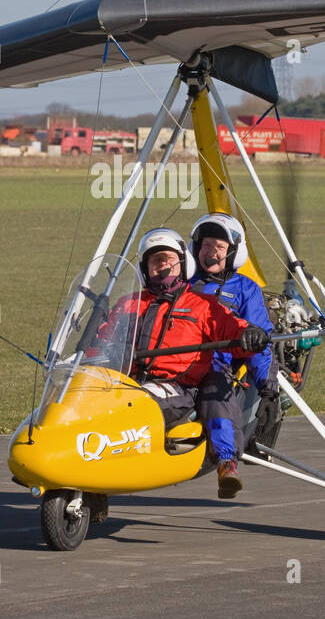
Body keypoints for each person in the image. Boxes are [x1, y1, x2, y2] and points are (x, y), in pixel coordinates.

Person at [97, 228, 270, 497]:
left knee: (134, 411)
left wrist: (248, 333)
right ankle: (89, 485)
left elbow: (229, 325)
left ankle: (226, 461)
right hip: (125, 382)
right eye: (155, 262)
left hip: (175, 387)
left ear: (182, 263)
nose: (162, 266)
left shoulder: (201, 304)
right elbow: (102, 339)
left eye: (168, 260)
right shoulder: (129, 303)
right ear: (145, 269)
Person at [189, 213, 282, 445]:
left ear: (233, 253)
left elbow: (260, 341)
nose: (211, 252)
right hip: (179, 367)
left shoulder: (245, 289)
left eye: (219, 247)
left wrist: (269, 390)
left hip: (218, 372)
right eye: (206, 245)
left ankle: (226, 458)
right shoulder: (182, 283)